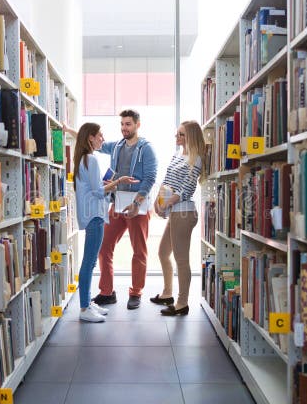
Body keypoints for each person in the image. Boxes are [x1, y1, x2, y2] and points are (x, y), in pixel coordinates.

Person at [65, 109, 157, 310]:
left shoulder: (146, 148)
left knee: (138, 251)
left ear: (137, 125)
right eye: (122, 124)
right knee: (104, 246)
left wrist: (136, 203)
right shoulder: (116, 147)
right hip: (117, 203)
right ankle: (107, 292)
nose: (124, 128)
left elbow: (150, 178)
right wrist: (69, 130)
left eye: (128, 124)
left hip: (137, 205)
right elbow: (89, 141)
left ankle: (136, 292)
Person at [73, 122, 139, 322]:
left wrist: (106, 183)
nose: (102, 138)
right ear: (90, 138)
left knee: (91, 262)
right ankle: (84, 308)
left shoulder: (83, 159)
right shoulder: (90, 160)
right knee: (89, 263)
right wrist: (118, 182)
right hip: (95, 216)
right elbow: (98, 192)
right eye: (100, 135)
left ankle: (87, 303)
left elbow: (92, 187)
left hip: (90, 214)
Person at [150, 121, 207, 316]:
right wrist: (158, 202)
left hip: (184, 213)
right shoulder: (176, 155)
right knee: (163, 252)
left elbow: (187, 189)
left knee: (181, 260)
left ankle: (182, 303)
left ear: (190, 136)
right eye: (177, 134)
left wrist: (168, 203)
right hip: (174, 212)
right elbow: (166, 182)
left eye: (181, 134)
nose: (177, 138)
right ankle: (167, 293)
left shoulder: (196, 158)